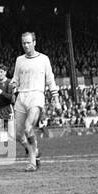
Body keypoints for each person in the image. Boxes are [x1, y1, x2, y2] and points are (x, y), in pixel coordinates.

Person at [11, 31, 61, 172]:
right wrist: (13, 86)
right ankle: (35, 151)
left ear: (34, 42)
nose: (26, 45)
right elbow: (16, 79)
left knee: (28, 128)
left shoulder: (44, 59)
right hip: (22, 97)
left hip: (36, 96)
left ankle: (32, 162)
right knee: (17, 134)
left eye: (28, 42)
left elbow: (50, 80)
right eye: (23, 43)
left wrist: (56, 100)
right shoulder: (19, 60)